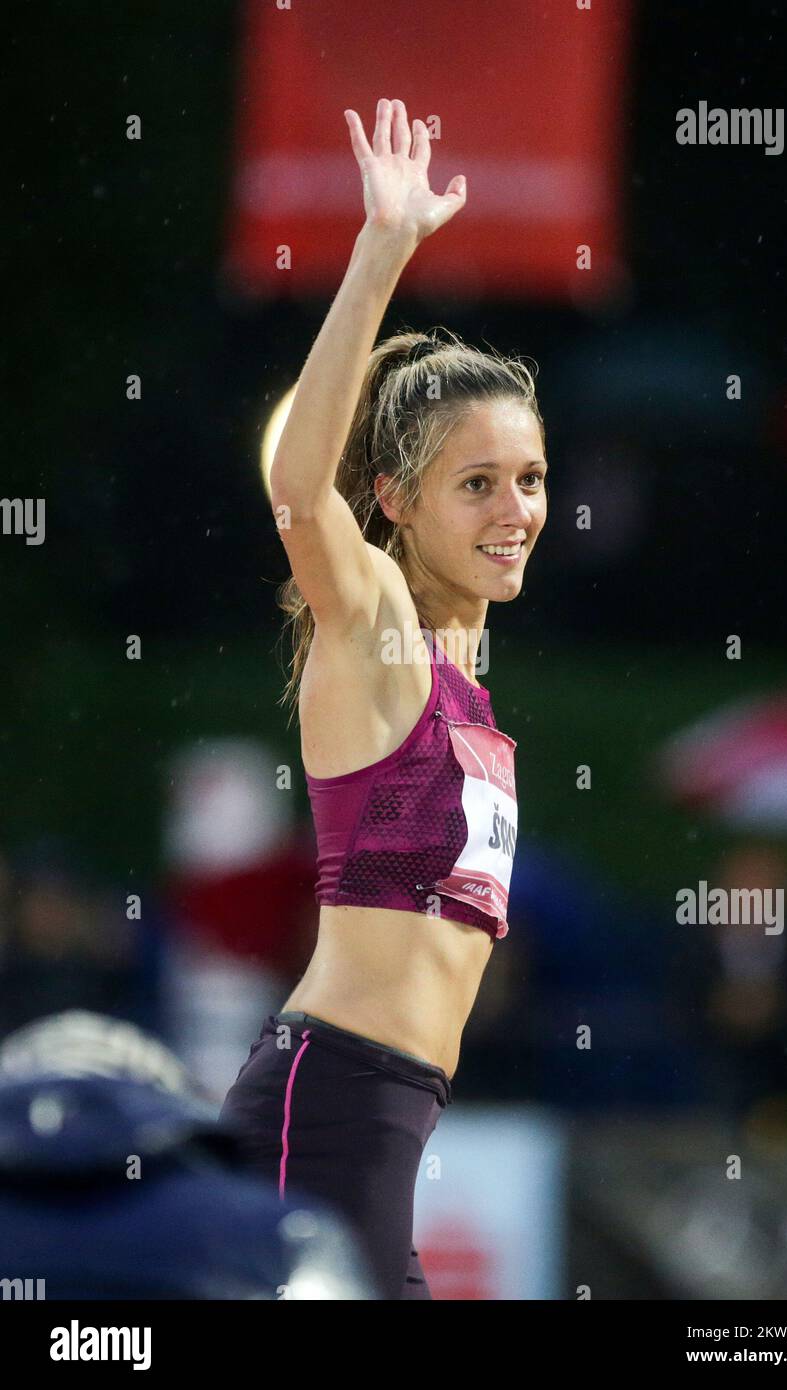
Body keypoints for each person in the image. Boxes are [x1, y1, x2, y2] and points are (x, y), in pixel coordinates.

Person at [220, 96, 548, 1299]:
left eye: (529, 478)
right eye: (478, 483)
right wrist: (380, 253)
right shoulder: (380, 633)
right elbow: (300, 495)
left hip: (380, 1122)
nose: (516, 509)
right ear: (398, 501)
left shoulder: (470, 689)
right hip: (329, 1107)